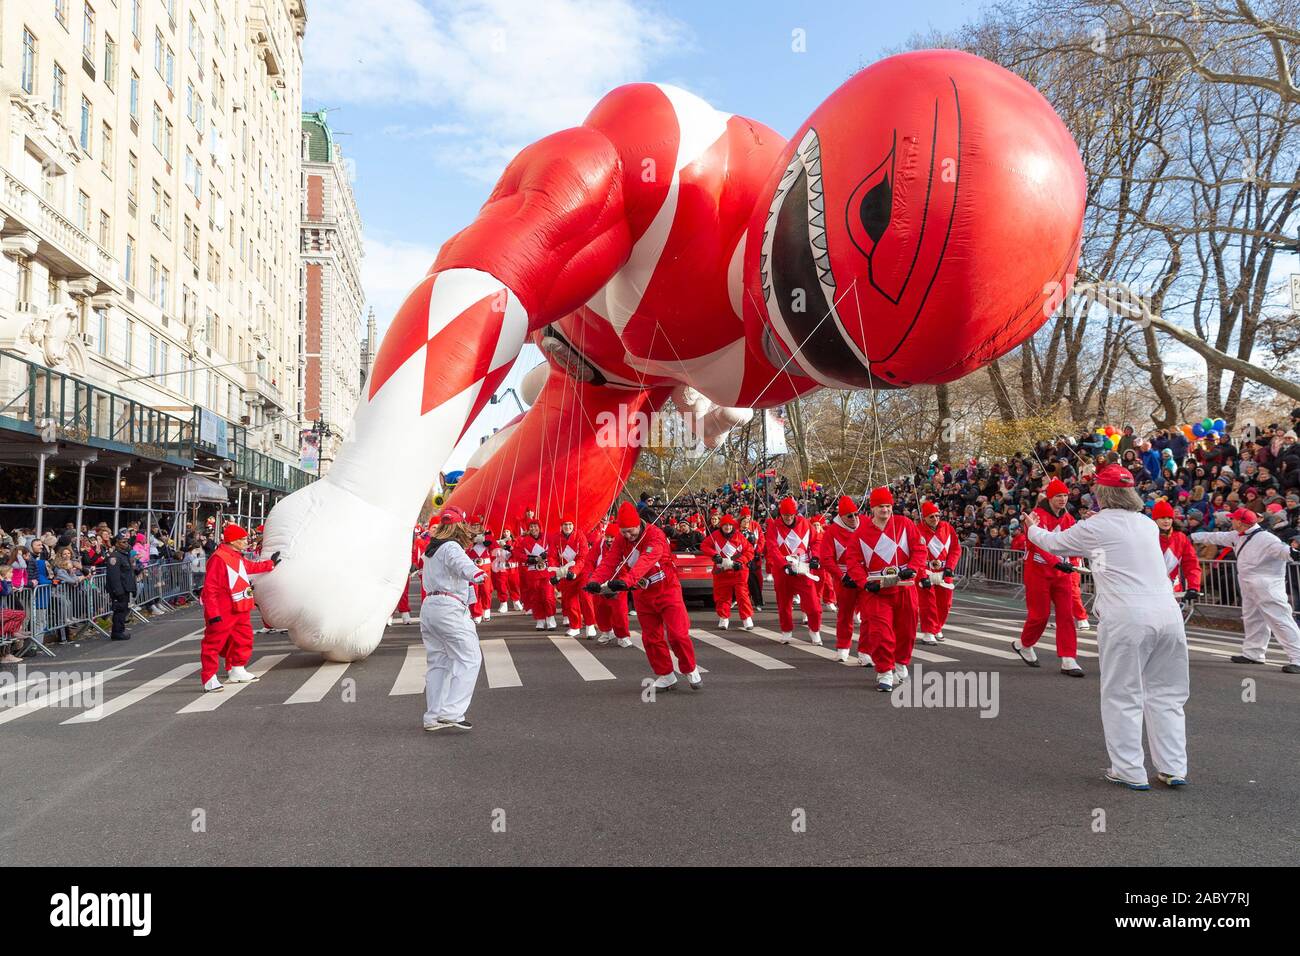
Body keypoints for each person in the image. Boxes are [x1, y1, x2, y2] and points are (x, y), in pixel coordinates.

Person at [1024, 464, 1189, 789]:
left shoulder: (1095, 526)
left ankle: (1129, 770)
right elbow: (1113, 556)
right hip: (1169, 615)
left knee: (1122, 693)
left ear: (1101, 495)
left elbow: (1054, 543)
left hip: (1127, 617)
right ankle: (1173, 767)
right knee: (1167, 694)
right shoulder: (1147, 525)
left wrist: (1031, 528)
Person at [586, 501, 701, 691]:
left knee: (678, 634)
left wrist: (627, 581)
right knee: (651, 638)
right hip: (643, 593)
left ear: (639, 524)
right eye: (624, 532)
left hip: (667, 589)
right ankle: (666, 675)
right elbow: (609, 561)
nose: (627, 536)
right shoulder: (620, 540)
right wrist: (595, 581)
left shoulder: (655, 535)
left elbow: (647, 560)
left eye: (631, 531)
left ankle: (690, 668)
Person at [1190, 507, 1300, 673]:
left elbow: (1284, 551)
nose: (1230, 520)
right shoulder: (1237, 535)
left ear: (1241, 523)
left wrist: (1294, 553)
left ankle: (1298, 658)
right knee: (1252, 618)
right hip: (1249, 584)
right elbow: (1216, 537)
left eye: (1233, 519)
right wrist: (1191, 537)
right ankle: (1253, 653)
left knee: (1280, 620)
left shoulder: (1267, 539)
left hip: (1267, 587)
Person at [843, 487, 925, 691]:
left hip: (904, 587)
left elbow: (919, 549)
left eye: (888, 506)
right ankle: (885, 672)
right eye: (881, 506)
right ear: (873, 508)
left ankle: (901, 663)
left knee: (907, 630)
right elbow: (853, 561)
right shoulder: (861, 532)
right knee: (881, 632)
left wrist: (912, 569)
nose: (886, 510)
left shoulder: (904, 524)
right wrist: (863, 582)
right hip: (877, 591)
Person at [420, 508, 488, 732]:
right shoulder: (451, 546)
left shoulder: (431, 549)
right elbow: (462, 564)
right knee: (470, 657)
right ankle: (452, 712)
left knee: (438, 663)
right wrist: (477, 573)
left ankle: (433, 716)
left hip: (429, 607)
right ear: (460, 526)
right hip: (449, 608)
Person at [1011, 478, 1085, 677]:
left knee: (1066, 615)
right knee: (1039, 616)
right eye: (1058, 496)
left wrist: (1075, 561)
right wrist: (1055, 561)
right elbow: (1037, 543)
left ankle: (1069, 658)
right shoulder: (1035, 516)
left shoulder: (1069, 518)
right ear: (1050, 497)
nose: (1063, 499)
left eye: (1065, 495)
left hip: (1062, 574)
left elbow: (1074, 542)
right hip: (1038, 573)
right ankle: (1024, 644)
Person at [199, 524, 280, 692]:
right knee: (213, 643)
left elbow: (249, 567)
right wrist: (213, 614)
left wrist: (270, 564)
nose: (246, 541)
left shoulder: (235, 556)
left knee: (243, 639)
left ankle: (237, 668)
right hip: (224, 610)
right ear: (233, 541)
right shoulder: (218, 558)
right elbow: (210, 589)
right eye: (243, 539)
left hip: (240, 607)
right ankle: (209, 677)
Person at [819, 495, 873, 665]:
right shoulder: (832, 532)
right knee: (845, 615)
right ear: (841, 517)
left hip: (865, 577)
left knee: (869, 615)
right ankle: (843, 648)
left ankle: (865, 652)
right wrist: (841, 575)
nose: (854, 518)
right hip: (844, 578)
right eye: (849, 516)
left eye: (856, 514)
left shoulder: (866, 523)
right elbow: (826, 558)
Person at [765, 496, 823, 645]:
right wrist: (784, 564)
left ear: (795, 513)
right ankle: (786, 631)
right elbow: (772, 547)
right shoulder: (774, 526)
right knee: (784, 604)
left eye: (791, 515)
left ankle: (815, 630)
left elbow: (816, 540)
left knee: (814, 606)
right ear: (780, 514)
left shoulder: (805, 523)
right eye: (785, 515)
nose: (788, 518)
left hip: (803, 569)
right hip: (783, 570)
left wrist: (815, 557)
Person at [916, 499, 961, 645]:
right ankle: (928, 631)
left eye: (937, 516)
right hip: (926, 571)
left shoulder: (947, 528)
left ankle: (937, 628)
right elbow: (916, 553)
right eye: (931, 517)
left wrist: (950, 567)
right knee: (928, 603)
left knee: (945, 603)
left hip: (944, 572)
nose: (935, 519)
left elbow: (955, 549)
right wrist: (922, 574)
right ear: (924, 518)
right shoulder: (918, 530)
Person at [699, 513, 754, 630]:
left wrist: (741, 561)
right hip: (721, 571)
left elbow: (749, 551)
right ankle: (723, 618)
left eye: (730, 525)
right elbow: (704, 546)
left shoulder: (739, 537)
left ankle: (746, 618)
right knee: (722, 596)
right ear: (721, 525)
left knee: (742, 595)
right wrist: (714, 555)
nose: (727, 527)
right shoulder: (715, 536)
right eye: (725, 525)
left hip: (739, 571)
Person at [549, 516, 594, 637]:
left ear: (573, 525)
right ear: (561, 526)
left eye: (570, 524)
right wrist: (554, 574)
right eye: (565, 524)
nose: (567, 527)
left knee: (585, 597)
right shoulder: (556, 538)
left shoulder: (580, 536)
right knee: (569, 599)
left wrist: (574, 571)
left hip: (582, 572)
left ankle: (590, 625)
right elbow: (552, 557)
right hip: (565, 573)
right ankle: (575, 626)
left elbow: (583, 556)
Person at [590, 522, 633, 646]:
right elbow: (590, 561)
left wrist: (623, 582)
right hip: (600, 583)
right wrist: (591, 578)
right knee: (600, 610)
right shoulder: (599, 545)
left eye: (612, 537)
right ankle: (607, 632)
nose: (609, 540)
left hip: (617, 585)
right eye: (607, 536)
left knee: (619, 611)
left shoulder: (624, 546)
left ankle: (622, 635)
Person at [1152, 499, 1201, 604]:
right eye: (1162, 518)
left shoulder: (1180, 537)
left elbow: (1191, 563)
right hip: (1151, 590)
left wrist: (1193, 586)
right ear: (1155, 519)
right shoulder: (1148, 537)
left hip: (1173, 591)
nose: (1166, 521)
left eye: (1169, 518)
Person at [513, 517, 556, 630]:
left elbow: (555, 548)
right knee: (536, 598)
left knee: (548, 597)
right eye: (531, 526)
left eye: (535, 526)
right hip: (532, 573)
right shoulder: (524, 541)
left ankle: (550, 619)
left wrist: (547, 555)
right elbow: (517, 553)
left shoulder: (548, 537)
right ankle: (540, 620)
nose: (533, 528)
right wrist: (529, 559)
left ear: (540, 527)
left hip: (546, 572)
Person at [103, 532, 136, 642]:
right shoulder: (115, 557)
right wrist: (118, 591)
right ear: (116, 543)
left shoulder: (124, 555)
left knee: (123, 610)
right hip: (119, 589)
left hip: (125, 587)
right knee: (119, 610)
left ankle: (120, 630)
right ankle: (117, 632)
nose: (126, 544)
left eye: (127, 541)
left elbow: (127, 572)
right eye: (123, 542)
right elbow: (114, 576)